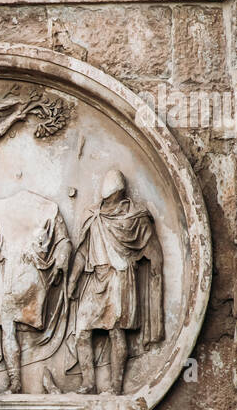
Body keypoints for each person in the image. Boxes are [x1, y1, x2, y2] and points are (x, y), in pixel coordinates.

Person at [67, 169, 164, 394]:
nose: (108, 197)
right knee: (81, 331)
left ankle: (115, 386)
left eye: (112, 194)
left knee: (115, 331)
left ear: (120, 192)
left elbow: (152, 249)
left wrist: (156, 273)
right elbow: (82, 253)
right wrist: (73, 279)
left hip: (120, 277)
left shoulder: (134, 217)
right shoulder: (93, 215)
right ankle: (88, 383)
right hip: (96, 277)